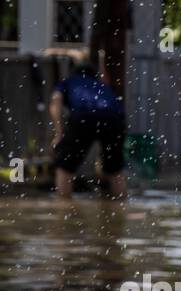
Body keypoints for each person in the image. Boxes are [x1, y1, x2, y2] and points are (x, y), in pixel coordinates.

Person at [49, 61, 127, 200]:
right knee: (115, 169)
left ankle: (63, 208)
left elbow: (56, 100)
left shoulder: (69, 81)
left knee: (64, 167)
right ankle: (121, 205)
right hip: (114, 119)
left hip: (85, 116)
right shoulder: (102, 85)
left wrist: (58, 133)